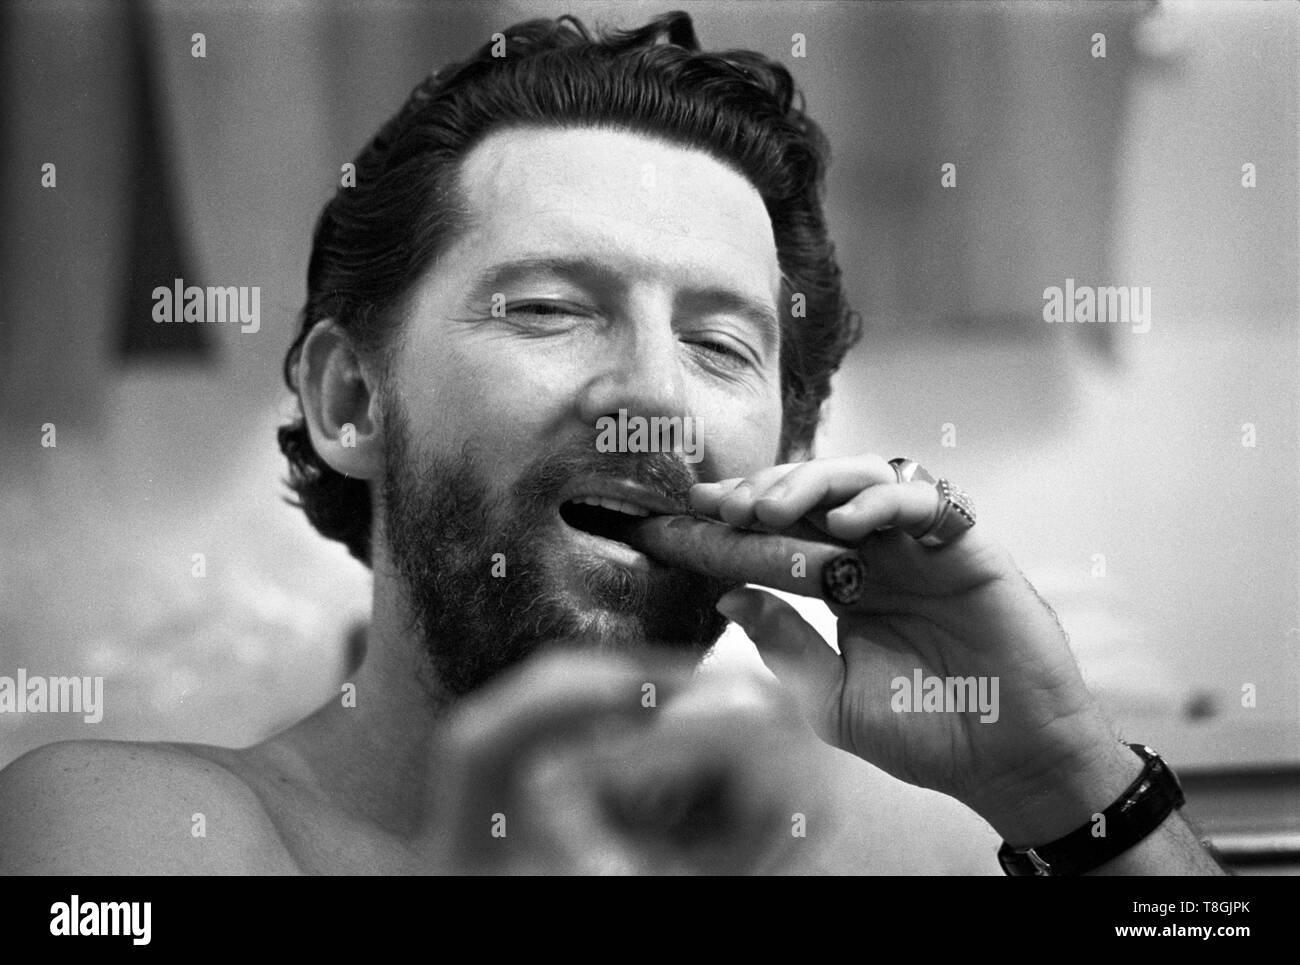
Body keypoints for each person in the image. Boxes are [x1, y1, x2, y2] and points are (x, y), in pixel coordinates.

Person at [0, 11, 1223, 875]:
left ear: (789, 452)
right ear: (351, 402)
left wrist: (1067, 778)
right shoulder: (132, 832)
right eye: (547, 307)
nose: (651, 396)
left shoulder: (930, 843)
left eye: (723, 345)